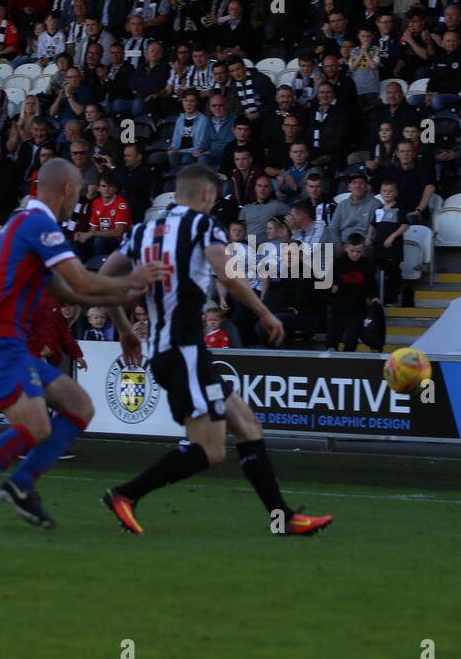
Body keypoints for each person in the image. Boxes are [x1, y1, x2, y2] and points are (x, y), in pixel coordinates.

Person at [0, 158, 168, 533]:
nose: (80, 200)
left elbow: (68, 289)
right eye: (79, 191)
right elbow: (83, 284)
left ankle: (21, 484)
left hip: (9, 344)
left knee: (79, 406)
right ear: (68, 190)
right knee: (35, 426)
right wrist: (133, 278)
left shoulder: (25, 225)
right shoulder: (39, 225)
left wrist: (122, 321)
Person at [96, 164, 332, 537]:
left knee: (247, 425)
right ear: (207, 195)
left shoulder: (142, 231)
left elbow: (104, 278)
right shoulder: (202, 225)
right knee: (211, 450)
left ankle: (282, 518)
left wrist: (124, 328)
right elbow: (228, 275)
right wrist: (265, 313)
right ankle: (126, 494)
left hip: (176, 351)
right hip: (184, 351)